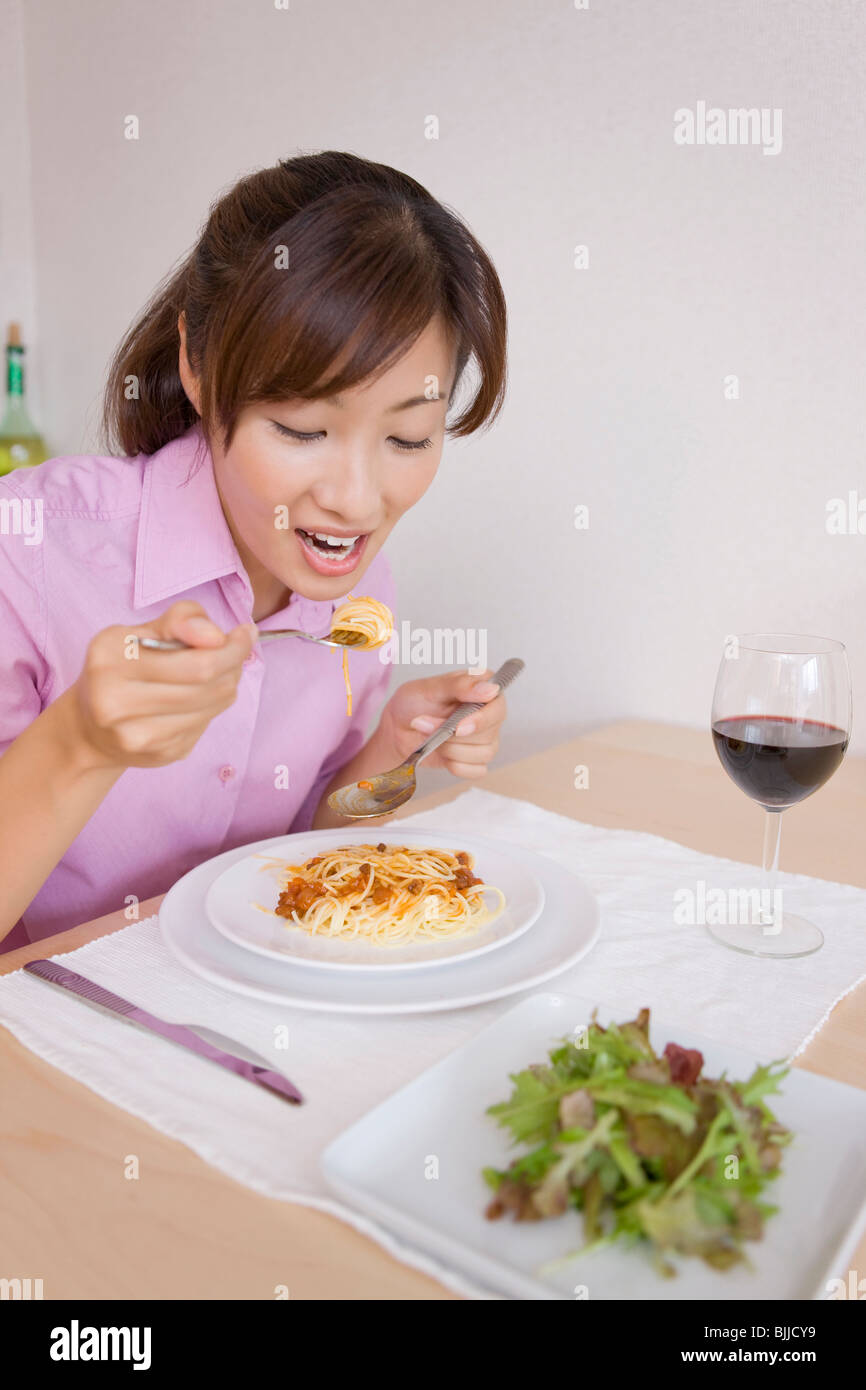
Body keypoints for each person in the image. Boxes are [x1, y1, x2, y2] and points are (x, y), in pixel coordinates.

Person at [0, 150, 510, 950]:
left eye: (408, 437)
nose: (356, 497)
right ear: (197, 366)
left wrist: (391, 751)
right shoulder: (27, 551)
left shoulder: (362, 591)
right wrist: (82, 743)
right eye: (304, 429)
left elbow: (299, 844)